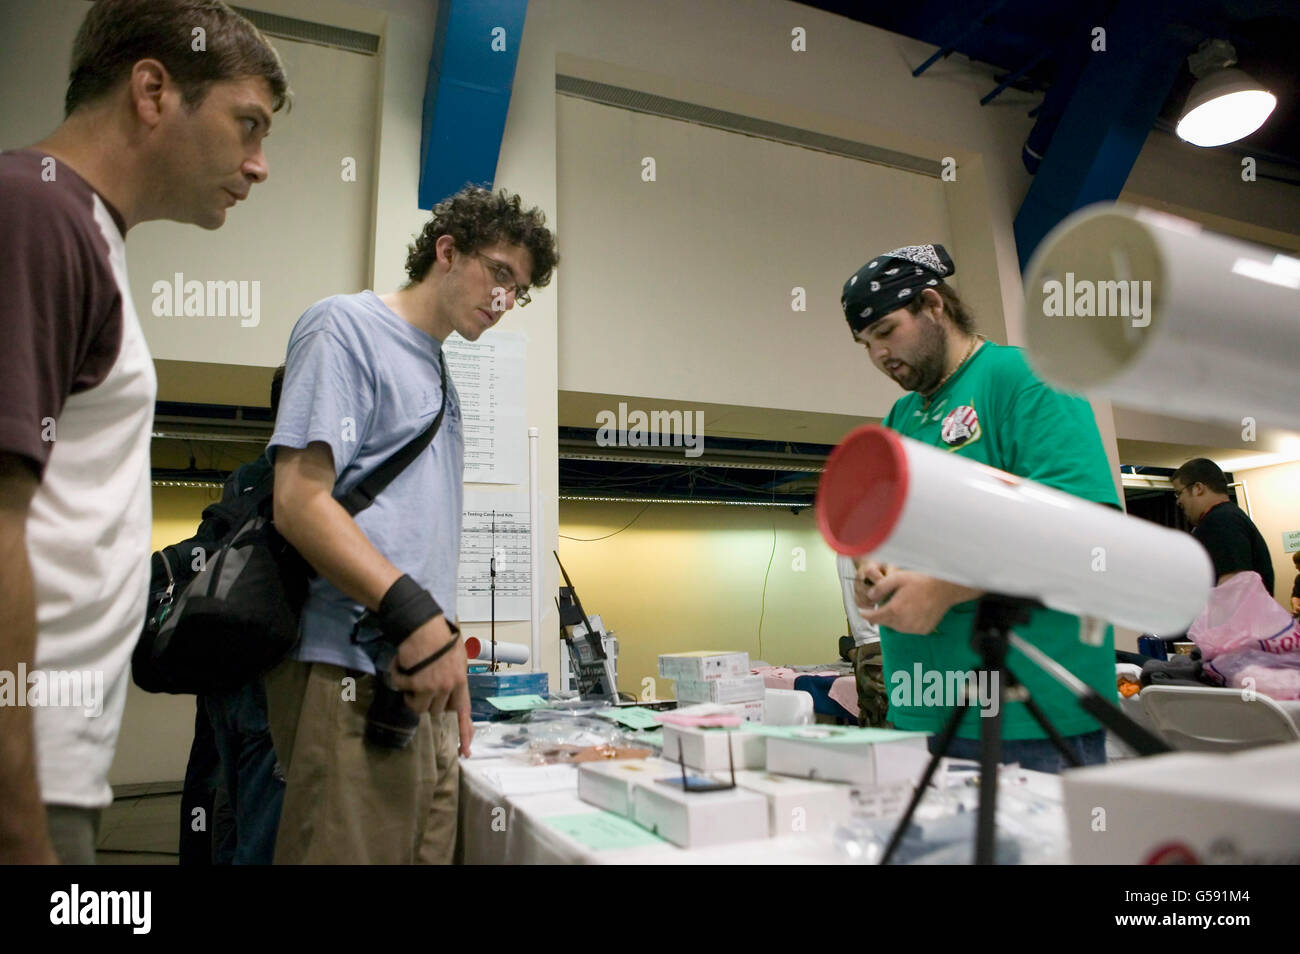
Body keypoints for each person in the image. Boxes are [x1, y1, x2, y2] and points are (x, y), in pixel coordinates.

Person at [0, 0, 287, 865]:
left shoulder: (87, 236)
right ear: (154, 90)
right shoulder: (38, 215)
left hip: (57, 775)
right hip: (26, 788)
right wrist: (19, 819)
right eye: (248, 124)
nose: (260, 164)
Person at [265, 186, 558, 864]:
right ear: (447, 251)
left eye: (519, 291)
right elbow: (299, 500)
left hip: (424, 680)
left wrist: (446, 651)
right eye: (500, 275)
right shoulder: (344, 327)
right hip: (351, 672)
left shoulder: (439, 370)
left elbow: (411, 535)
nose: (505, 300)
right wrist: (417, 615)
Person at [839, 243, 1119, 774]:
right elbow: (888, 535)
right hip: (924, 706)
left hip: (1027, 715)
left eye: (885, 332)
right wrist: (871, 567)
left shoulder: (1026, 379)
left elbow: (1084, 528)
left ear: (932, 305)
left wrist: (944, 588)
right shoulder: (900, 418)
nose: (877, 355)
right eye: (864, 343)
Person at [176, 366, 288, 865]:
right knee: (264, 827)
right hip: (271, 680)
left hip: (223, 671)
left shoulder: (244, 479)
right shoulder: (306, 479)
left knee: (225, 802)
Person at [1171, 458, 1274, 596]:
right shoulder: (1231, 516)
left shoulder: (1220, 521)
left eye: (1179, 493)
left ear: (1198, 489)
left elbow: (1231, 590)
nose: (1178, 501)